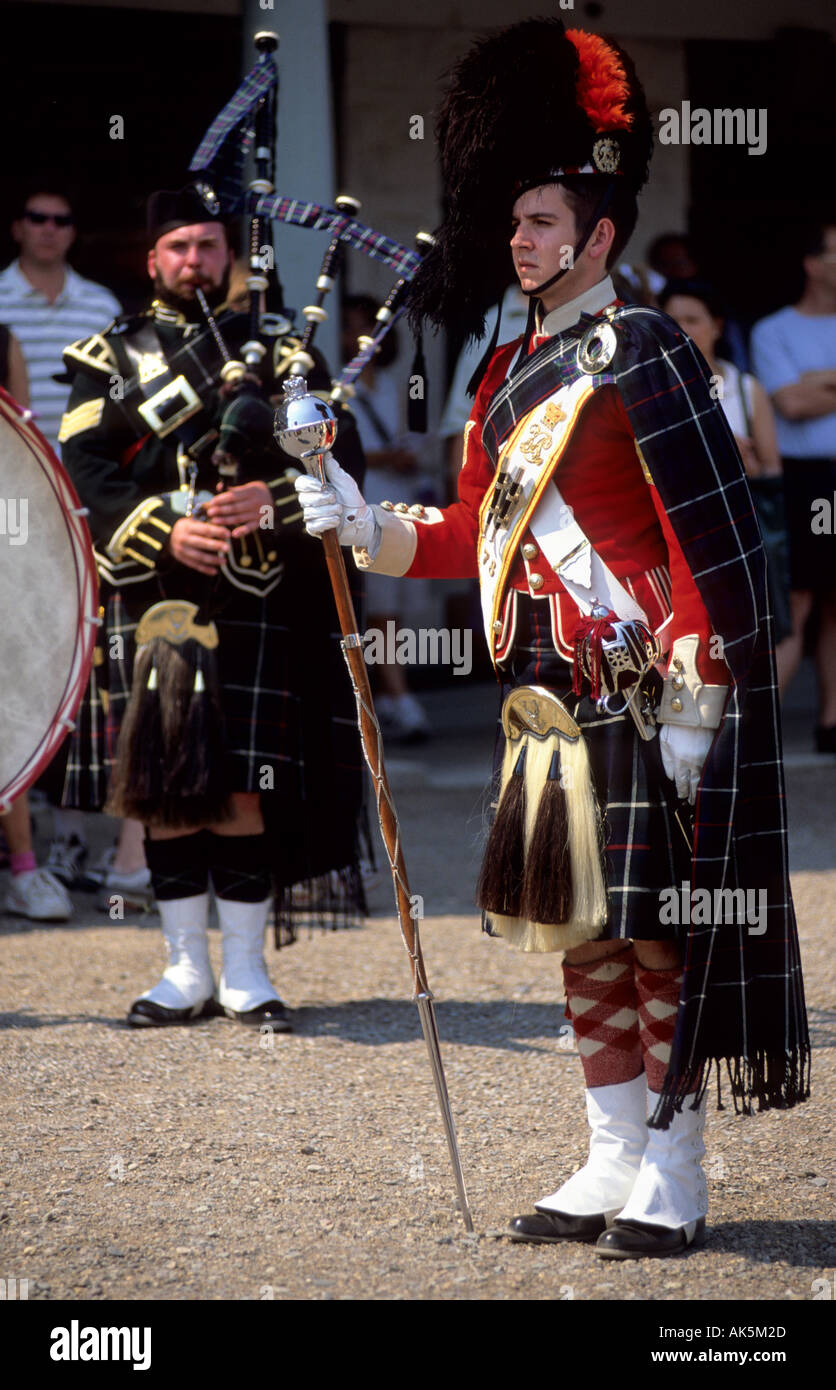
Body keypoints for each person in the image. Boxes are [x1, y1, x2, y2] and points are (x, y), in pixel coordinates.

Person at [295, 19, 809, 1259]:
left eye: (536, 224)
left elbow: (707, 527)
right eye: (510, 223)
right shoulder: (501, 371)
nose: (514, 242)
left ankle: (675, 1167)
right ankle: (607, 1151)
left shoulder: (641, 350)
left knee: (655, 931)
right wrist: (362, 522)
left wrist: (698, 681)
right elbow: (477, 523)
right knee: (575, 927)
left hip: (644, 683)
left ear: (595, 236)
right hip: (542, 692)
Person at [59, 186, 366, 1031]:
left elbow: (345, 453)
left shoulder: (283, 347)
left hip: (258, 595)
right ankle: (182, 969)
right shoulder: (108, 357)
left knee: (242, 790)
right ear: (150, 259)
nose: (194, 260)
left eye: (207, 245)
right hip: (156, 597)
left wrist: (273, 495)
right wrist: (163, 529)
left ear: (229, 255)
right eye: (178, 247)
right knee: (166, 791)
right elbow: (83, 469)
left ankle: (247, 973)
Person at [0, 185, 123, 889]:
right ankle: (26, 837)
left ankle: (66, 834)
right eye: (38, 219)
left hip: (83, 505)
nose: (50, 230)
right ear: (19, 227)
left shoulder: (100, 306)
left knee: (77, 659)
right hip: (11, 503)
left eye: (63, 219)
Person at [659, 279, 793, 682]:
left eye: (693, 319)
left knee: (753, 630)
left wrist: (737, 459)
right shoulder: (653, 390)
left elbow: (771, 471)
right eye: (672, 320)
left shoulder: (744, 388)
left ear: (717, 325)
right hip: (675, 536)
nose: (683, 329)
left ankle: (745, 728)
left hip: (738, 534)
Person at [750, 220, 836, 752]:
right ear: (812, 262)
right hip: (804, 479)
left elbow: (806, 394)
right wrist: (807, 389)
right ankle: (760, 729)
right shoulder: (773, 330)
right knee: (797, 598)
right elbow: (790, 403)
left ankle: (832, 721)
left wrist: (818, 381)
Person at [341, 293, 431, 742]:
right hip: (362, 500)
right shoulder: (338, 389)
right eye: (353, 330)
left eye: (368, 332)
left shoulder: (396, 385)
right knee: (378, 609)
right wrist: (384, 456)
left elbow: (414, 436)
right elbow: (338, 450)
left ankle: (392, 696)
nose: (361, 341)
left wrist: (409, 457)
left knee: (396, 607)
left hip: (398, 498)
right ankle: (397, 697)